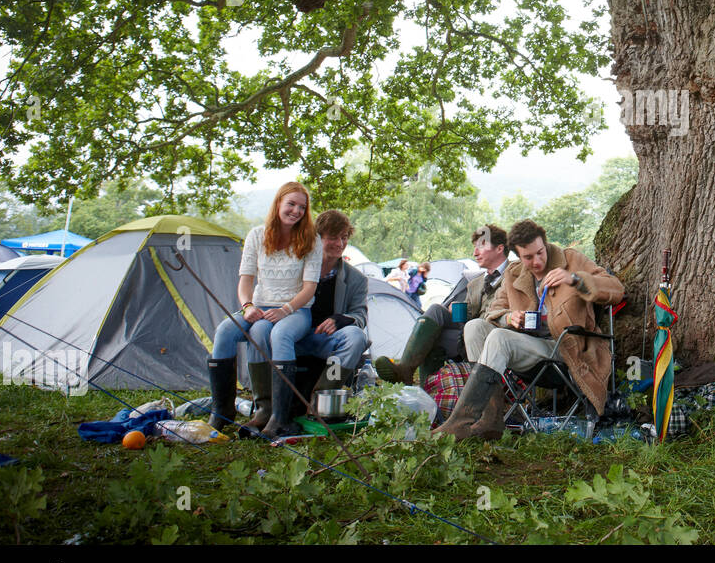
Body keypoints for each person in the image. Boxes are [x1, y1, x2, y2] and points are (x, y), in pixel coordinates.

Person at [434, 219, 623, 442]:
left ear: (545, 244)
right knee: (475, 327)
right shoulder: (513, 274)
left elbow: (616, 289)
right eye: (529, 257)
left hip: (567, 347)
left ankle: (459, 424)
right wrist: (509, 317)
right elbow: (494, 312)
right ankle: (491, 419)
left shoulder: (570, 260)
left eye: (540, 252)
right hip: (528, 347)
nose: (537, 261)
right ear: (518, 256)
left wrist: (574, 279)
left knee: (499, 338)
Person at [207, 181, 322, 438]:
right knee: (225, 331)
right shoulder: (257, 236)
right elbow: (246, 280)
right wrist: (247, 306)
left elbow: (309, 288)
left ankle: (279, 418)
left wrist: (285, 309)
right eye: (291, 204)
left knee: (277, 334)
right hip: (259, 305)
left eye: (302, 207)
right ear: (278, 203)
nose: (296, 211)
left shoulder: (311, 240)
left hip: (296, 310)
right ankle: (222, 410)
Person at [374, 225, 509, 386]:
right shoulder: (476, 282)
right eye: (474, 248)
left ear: (499, 248)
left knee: (431, 339)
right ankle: (408, 371)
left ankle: (423, 390)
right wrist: (458, 309)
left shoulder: (514, 274)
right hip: (468, 333)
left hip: (494, 335)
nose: (475, 253)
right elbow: (471, 314)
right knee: (436, 309)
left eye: (480, 247)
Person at [294, 210, 369, 397]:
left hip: (324, 341)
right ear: (318, 238)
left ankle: (322, 397)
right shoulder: (296, 267)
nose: (340, 244)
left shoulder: (356, 279)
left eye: (344, 238)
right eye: (333, 238)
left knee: (356, 336)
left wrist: (342, 319)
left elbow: (360, 316)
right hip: (292, 336)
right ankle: (268, 403)